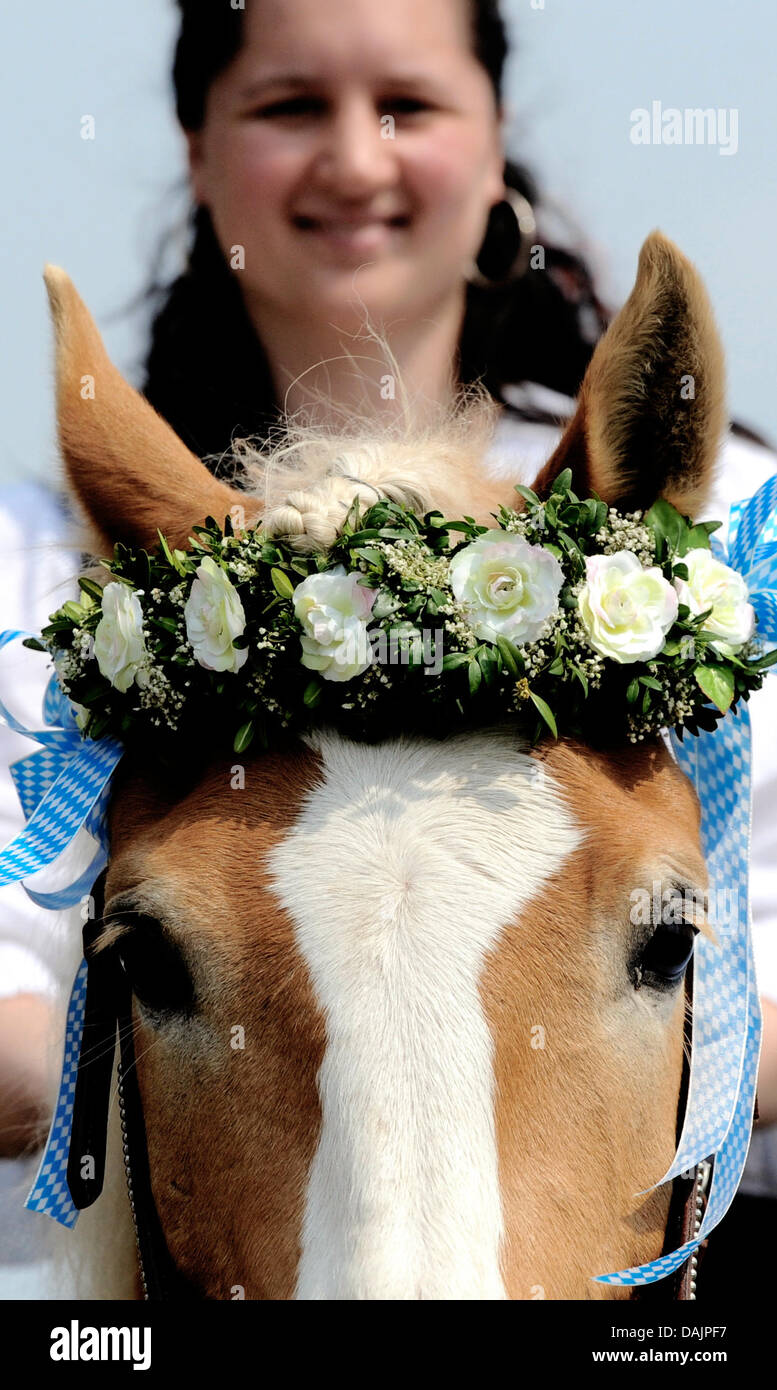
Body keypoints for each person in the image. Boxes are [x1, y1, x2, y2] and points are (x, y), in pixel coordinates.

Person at [1, 0, 775, 1295]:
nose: (355, 161)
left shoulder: (738, 524)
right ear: (196, 147)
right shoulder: (33, 567)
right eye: (290, 107)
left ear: (491, 143)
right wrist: (152, 1043)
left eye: (406, 107)